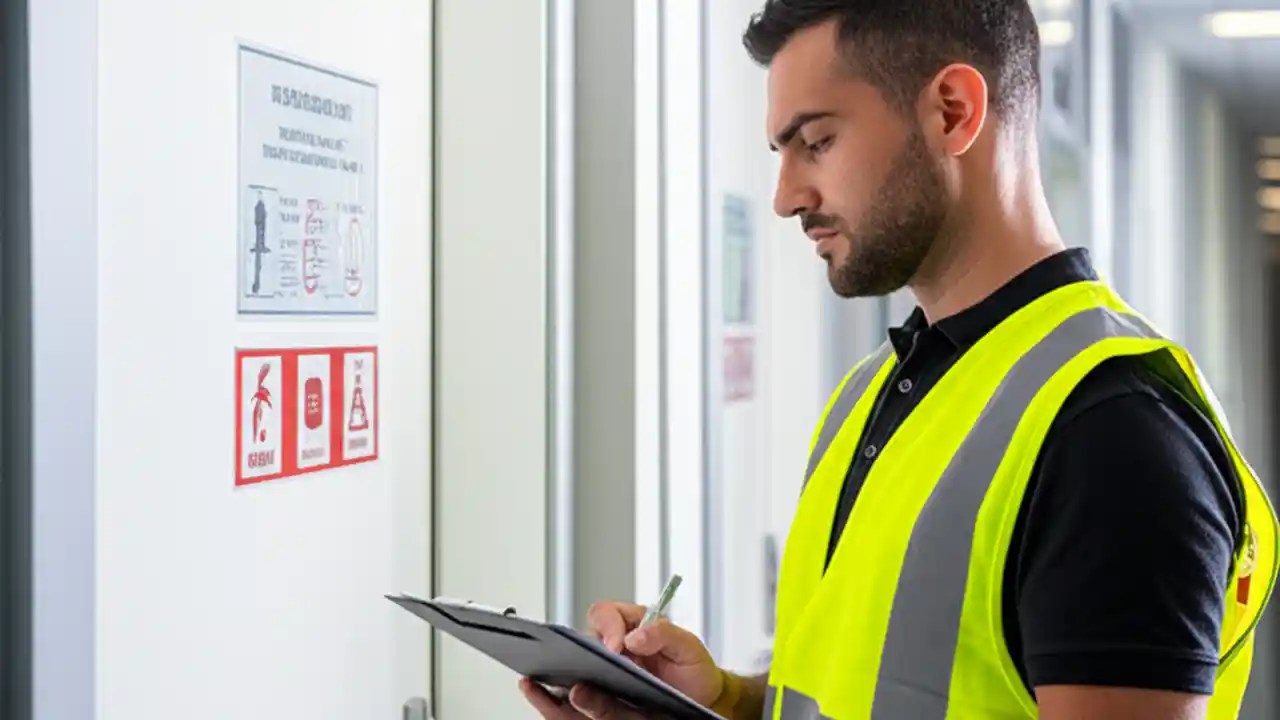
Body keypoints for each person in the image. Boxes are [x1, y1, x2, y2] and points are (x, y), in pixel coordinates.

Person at [521, 1, 1278, 718]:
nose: (785, 197)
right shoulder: (875, 391)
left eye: (817, 142)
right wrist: (721, 699)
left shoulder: (1112, 432)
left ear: (953, 111)